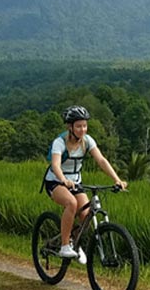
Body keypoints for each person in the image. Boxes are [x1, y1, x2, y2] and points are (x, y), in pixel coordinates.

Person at [43, 106, 127, 262]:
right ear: (70, 127)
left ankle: (75, 242)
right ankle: (64, 246)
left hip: (75, 182)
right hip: (55, 181)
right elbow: (55, 165)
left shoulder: (87, 141)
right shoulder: (60, 142)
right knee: (71, 203)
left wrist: (117, 179)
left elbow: (101, 160)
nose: (82, 129)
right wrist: (64, 180)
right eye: (78, 126)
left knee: (86, 214)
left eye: (85, 125)